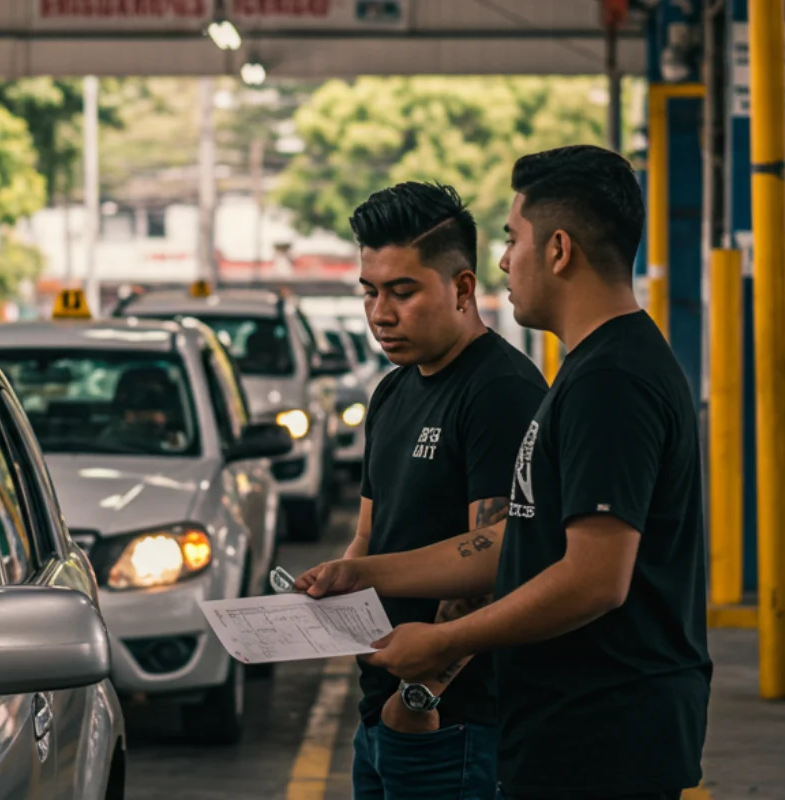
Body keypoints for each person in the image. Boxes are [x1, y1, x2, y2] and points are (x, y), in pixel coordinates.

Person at [297, 146, 711, 800]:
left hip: (602, 736)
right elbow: (517, 543)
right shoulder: (592, 371)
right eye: (371, 292)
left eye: (514, 239)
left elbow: (595, 578)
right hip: (571, 731)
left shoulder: (609, 382)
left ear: (559, 250)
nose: (504, 260)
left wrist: (437, 653)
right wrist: (363, 573)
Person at [342, 181, 547, 799]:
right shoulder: (392, 391)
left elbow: (496, 559)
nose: (381, 313)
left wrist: (420, 695)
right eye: (370, 291)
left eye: (403, 292)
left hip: (454, 722)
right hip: (380, 714)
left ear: (462, 289)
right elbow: (369, 536)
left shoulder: (500, 391)